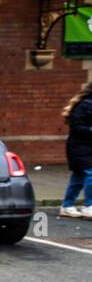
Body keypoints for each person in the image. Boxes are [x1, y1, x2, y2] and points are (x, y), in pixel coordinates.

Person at [60, 83, 92, 218]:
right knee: (90, 174)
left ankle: (67, 206)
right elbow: (77, 126)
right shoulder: (85, 104)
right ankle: (88, 206)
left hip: (86, 146)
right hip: (79, 146)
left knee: (78, 178)